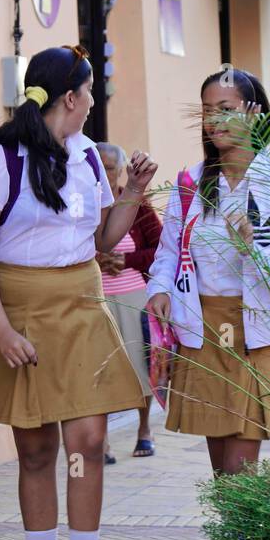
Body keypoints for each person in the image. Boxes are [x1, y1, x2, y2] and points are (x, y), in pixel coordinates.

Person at [0, 45, 156, 540]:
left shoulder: (89, 156)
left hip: (82, 301)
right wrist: (0, 328)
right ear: (70, 97)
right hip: (18, 306)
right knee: (37, 448)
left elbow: (104, 238)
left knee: (89, 443)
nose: (94, 103)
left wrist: (134, 193)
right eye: (90, 92)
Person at [145, 67, 270, 540]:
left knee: (243, 466)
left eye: (226, 107)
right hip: (202, 330)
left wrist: (255, 247)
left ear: (254, 113)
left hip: (255, 333)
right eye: (208, 109)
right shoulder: (193, 183)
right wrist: (161, 291)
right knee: (224, 471)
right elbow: (168, 253)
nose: (215, 120)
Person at [95, 141, 163, 462]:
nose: (104, 172)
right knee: (101, 369)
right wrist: (99, 260)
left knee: (140, 365)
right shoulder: (82, 203)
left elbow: (161, 249)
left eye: (110, 167)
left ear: (121, 170)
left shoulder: (135, 202)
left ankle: (144, 430)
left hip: (134, 297)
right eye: (98, 165)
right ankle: (103, 442)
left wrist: (127, 261)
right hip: (96, 299)